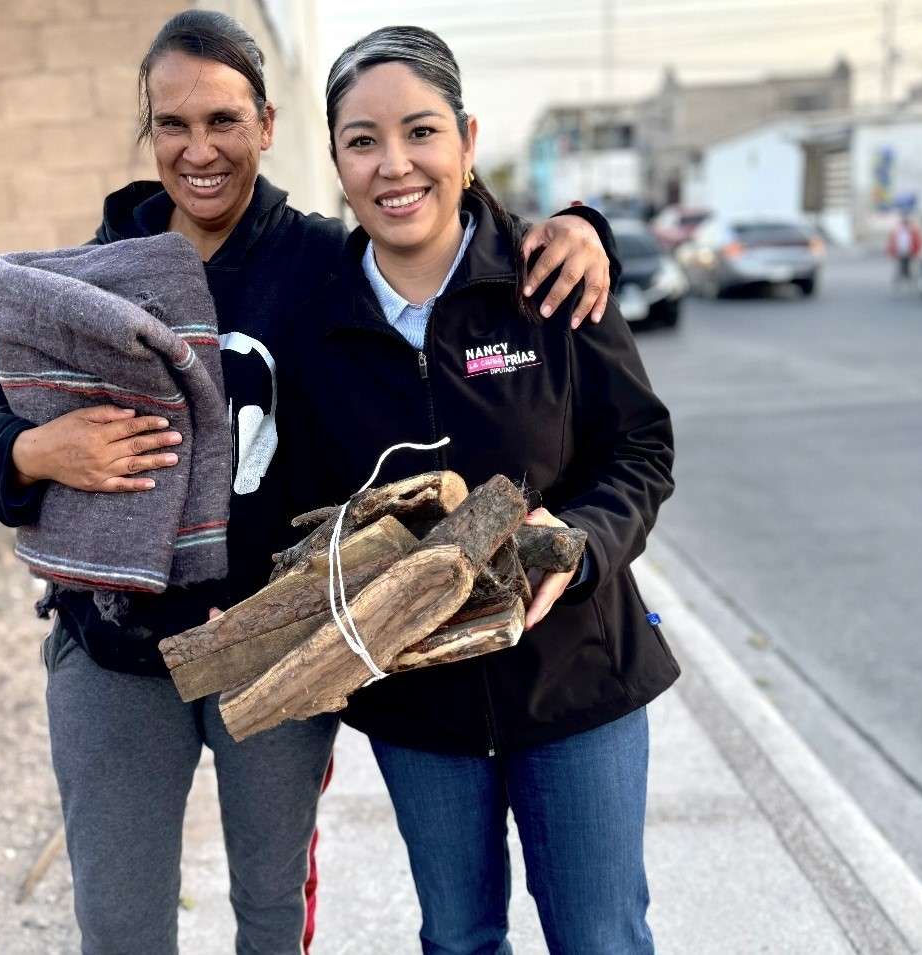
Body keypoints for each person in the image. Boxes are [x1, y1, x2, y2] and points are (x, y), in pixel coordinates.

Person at [0, 11, 619, 955]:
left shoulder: (321, 263)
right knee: (117, 927)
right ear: (148, 133)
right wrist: (33, 454)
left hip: (278, 640)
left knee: (271, 912)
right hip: (114, 647)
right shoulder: (97, 271)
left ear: (267, 126)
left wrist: (578, 229)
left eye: (223, 121)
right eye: (173, 125)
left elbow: (448, 247)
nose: (199, 150)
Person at [277, 26, 677, 954]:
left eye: (421, 132)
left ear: (466, 139)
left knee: (600, 937)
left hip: (581, 676)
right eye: (362, 141)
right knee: (457, 939)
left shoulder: (551, 284)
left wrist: (575, 543)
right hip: (421, 705)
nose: (395, 165)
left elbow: (641, 452)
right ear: (335, 160)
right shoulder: (314, 326)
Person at [887, 211, 922, 289]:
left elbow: (917, 242)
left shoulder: (912, 231)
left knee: (909, 269)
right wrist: (891, 251)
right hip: (900, 252)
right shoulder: (897, 231)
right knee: (900, 269)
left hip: (909, 252)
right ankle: (897, 284)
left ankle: (911, 284)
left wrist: (917, 252)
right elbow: (892, 242)